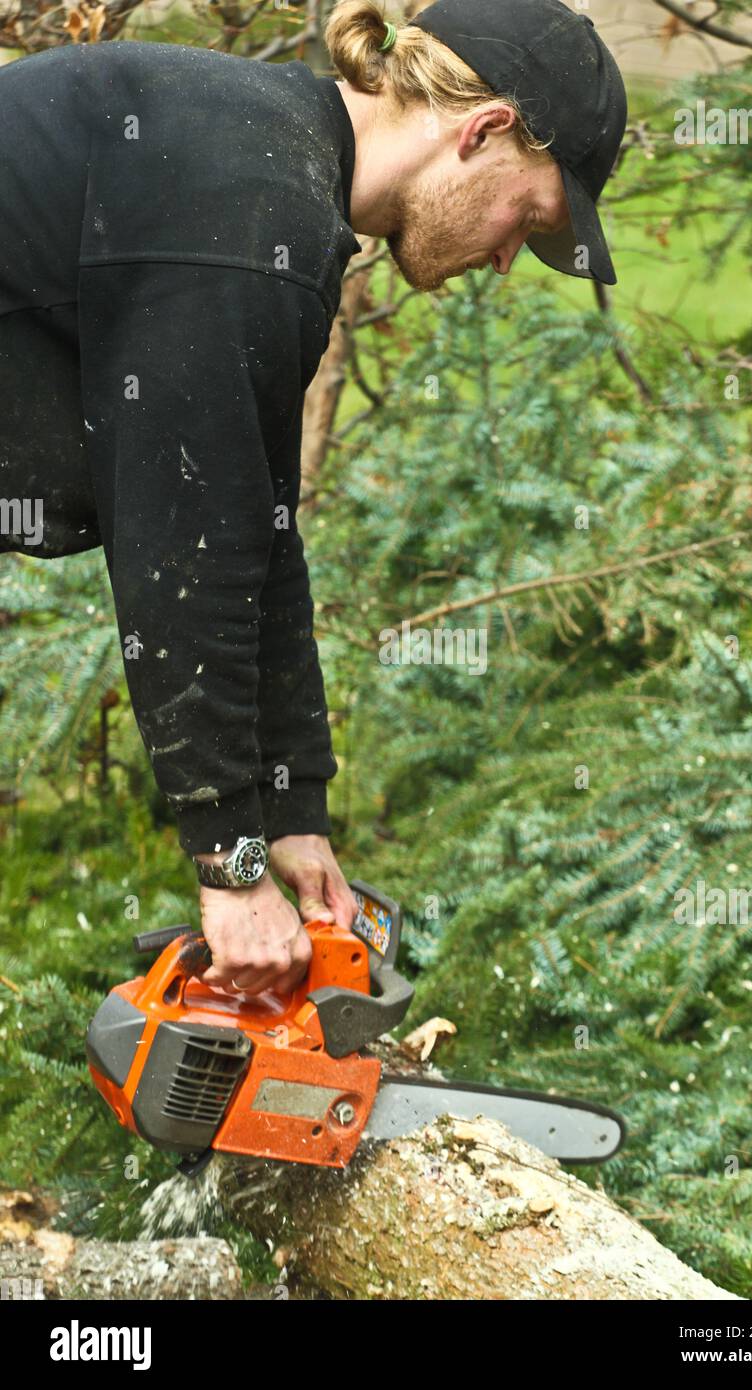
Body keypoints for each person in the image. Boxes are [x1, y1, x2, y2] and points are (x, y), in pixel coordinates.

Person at [0, 0, 626, 995]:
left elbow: (252, 528)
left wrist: (292, 808)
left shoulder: (274, 174)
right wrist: (231, 867)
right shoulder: (247, 201)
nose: (507, 259)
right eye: (528, 217)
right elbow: (181, 543)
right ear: (483, 130)